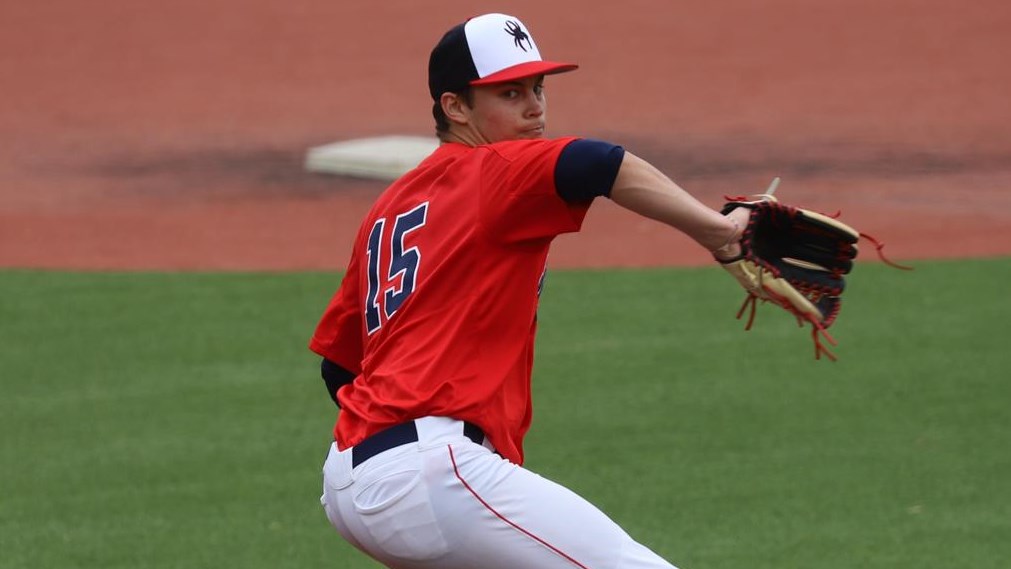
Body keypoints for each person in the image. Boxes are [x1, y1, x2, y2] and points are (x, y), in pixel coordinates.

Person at [311, 12, 750, 569]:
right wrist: (722, 233)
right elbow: (597, 162)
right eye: (510, 92)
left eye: (538, 88)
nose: (535, 107)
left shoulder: (390, 207)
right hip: (431, 471)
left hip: (353, 478)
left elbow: (340, 369)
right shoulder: (493, 170)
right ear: (455, 107)